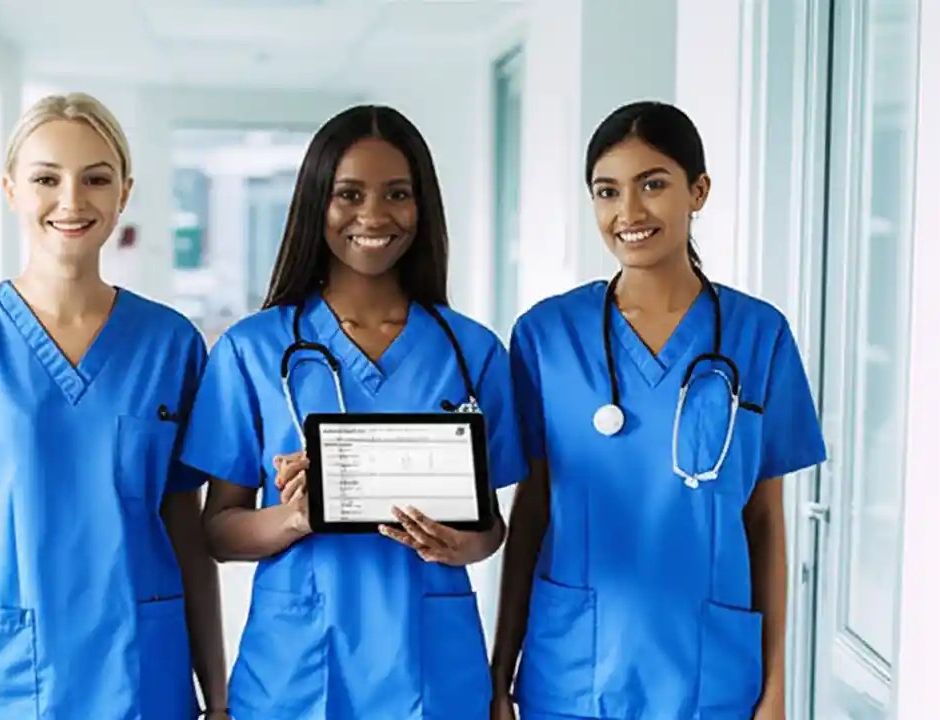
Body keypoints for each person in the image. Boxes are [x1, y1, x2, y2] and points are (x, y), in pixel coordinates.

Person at [0, 92, 228, 719]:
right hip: (0, 682)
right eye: (46, 178)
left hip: (141, 671)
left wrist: (217, 699)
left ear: (125, 193)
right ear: (11, 189)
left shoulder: (171, 346)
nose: (71, 200)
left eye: (96, 178)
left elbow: (187, 536)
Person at [178, 104, 529, 719]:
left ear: (422, 207)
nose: (374, 215)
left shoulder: (472, 352)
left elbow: (492, 528)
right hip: (297, 673)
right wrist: (293, 519)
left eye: (397, 193)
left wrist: (460, 547)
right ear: (318, 203)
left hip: (435, 670)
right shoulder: (253, 350)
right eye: (349, 194)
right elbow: (218, 531)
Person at [490, 101, 826, 720]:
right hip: (573, 669)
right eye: (607, 191)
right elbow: (532, 508)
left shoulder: (759, 335)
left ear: (698, 191)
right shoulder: (546, 335)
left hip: (711, 672)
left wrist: (777, 685)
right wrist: (499, 670)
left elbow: (765, 521)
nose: (629, 212)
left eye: (653, 184)